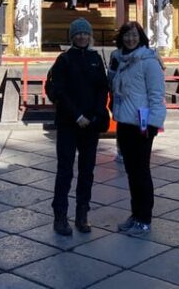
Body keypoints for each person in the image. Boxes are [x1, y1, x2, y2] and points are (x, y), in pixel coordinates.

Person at [47, 18, 110, 235]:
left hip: (90, 123)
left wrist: (95, 114)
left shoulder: (95, 58)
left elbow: (103, 88)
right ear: (72, 36)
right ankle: (60, 215)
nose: (82, 37)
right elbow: (59, 91)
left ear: (89, 35)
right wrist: (77, 116)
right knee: (65, 170)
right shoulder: (63, 60)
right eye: (78, 34)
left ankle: (82, 213)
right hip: (68, 122)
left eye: (85, 33)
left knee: (87, 170)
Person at [108, 22, 166, 237]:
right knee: (131, 172)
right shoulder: (120, 60)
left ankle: (144, 219)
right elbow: (112, 86)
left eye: (134, 35)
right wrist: (112, 68)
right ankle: (135, 214)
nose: (130, 39)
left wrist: (154, 123)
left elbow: (156, 95)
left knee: (141, 172)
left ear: (140, 37)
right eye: (126, 36)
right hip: (124, 122)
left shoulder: (148, 62)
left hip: (142, 125)